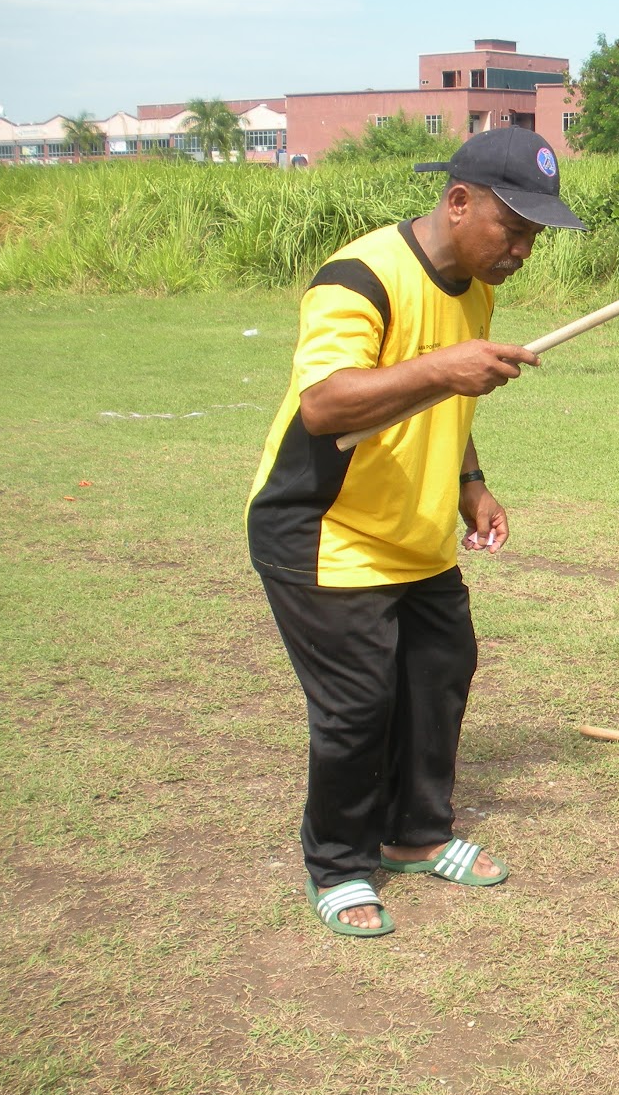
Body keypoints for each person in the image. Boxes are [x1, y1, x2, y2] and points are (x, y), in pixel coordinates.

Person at [246, 128, 587, 936]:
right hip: (325, 529)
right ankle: (337, 863)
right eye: (514, 228)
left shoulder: (473, 287)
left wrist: (471, 484)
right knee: (358, 704)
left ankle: (415, 836)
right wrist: (446, 367)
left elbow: (445, 399)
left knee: (439, 674)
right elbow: (326, 405)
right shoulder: (359, 278)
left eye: (535, 237)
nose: (523, 250)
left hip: (416, 527)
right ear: (459, 200)